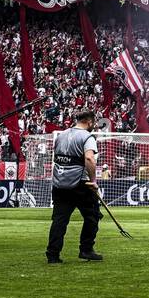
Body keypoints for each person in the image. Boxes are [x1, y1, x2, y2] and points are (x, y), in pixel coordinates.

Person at [45, 110, 102, 263]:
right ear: (89, 122)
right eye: (93, 123)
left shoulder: (61, 135)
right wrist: (94, 181)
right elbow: (89, 158)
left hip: (59, 183)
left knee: (59, 220)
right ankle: (86, 249)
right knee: (93, 216)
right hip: (80, 183)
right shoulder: (87, 137)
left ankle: (53, 254)